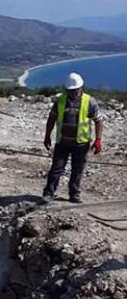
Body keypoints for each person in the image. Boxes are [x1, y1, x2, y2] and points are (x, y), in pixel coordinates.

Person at [42, 72, 103, 204]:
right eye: (70, 90)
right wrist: (47, 136)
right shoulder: (60, 101)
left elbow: (98, 121)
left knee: (77, 170)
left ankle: (74, 194)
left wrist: (98, 140)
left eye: (75, 90)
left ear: (80, 88)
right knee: (56, 168)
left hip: (81, 143)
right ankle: (48, 193)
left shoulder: (89, 101)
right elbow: (52, 118)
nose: (73, 93)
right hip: (62, 142)